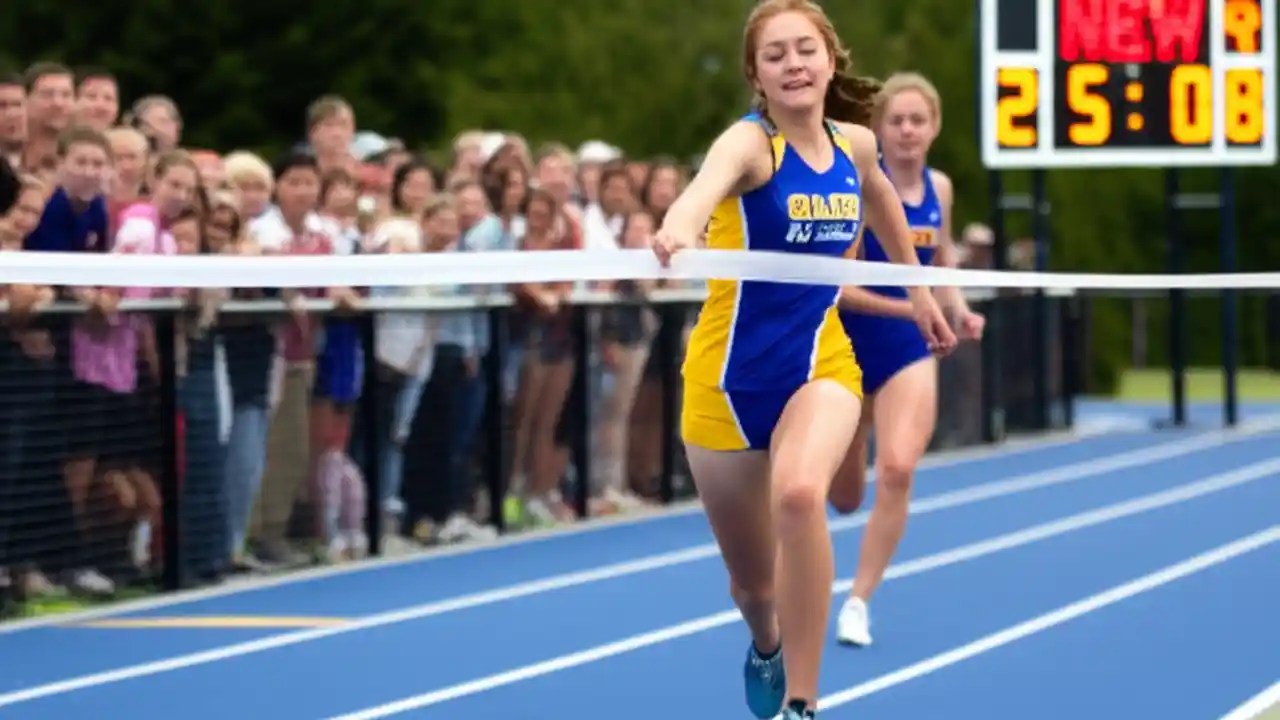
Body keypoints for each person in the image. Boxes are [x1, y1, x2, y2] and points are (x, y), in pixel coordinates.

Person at [648, 3, 957, 718]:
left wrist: (920, 292)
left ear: (829, 59)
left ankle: (802, 702)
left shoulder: (854, 144)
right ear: (756, 74)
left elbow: (882, 200)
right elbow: (702, 190)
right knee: (754, 589)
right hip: (723, 384)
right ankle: (766, 643)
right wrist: (678, 227)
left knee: (797, 495)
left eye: (805, 49)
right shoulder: (749, 145)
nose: (794, 63)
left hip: (819, 364)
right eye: (776, 54)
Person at [827, 73, 986, 648]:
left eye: (918, 120)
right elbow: (841, 286)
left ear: (934, 127)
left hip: (908, 347)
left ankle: (858, 602)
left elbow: (939, 263)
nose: (907, 130)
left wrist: (959, 310)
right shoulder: (860, 185)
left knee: (897, 468)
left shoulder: (938, 189)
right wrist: (909, 310)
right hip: (851, 341)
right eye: (896, 120)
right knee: (844, 496)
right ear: (878, 128)